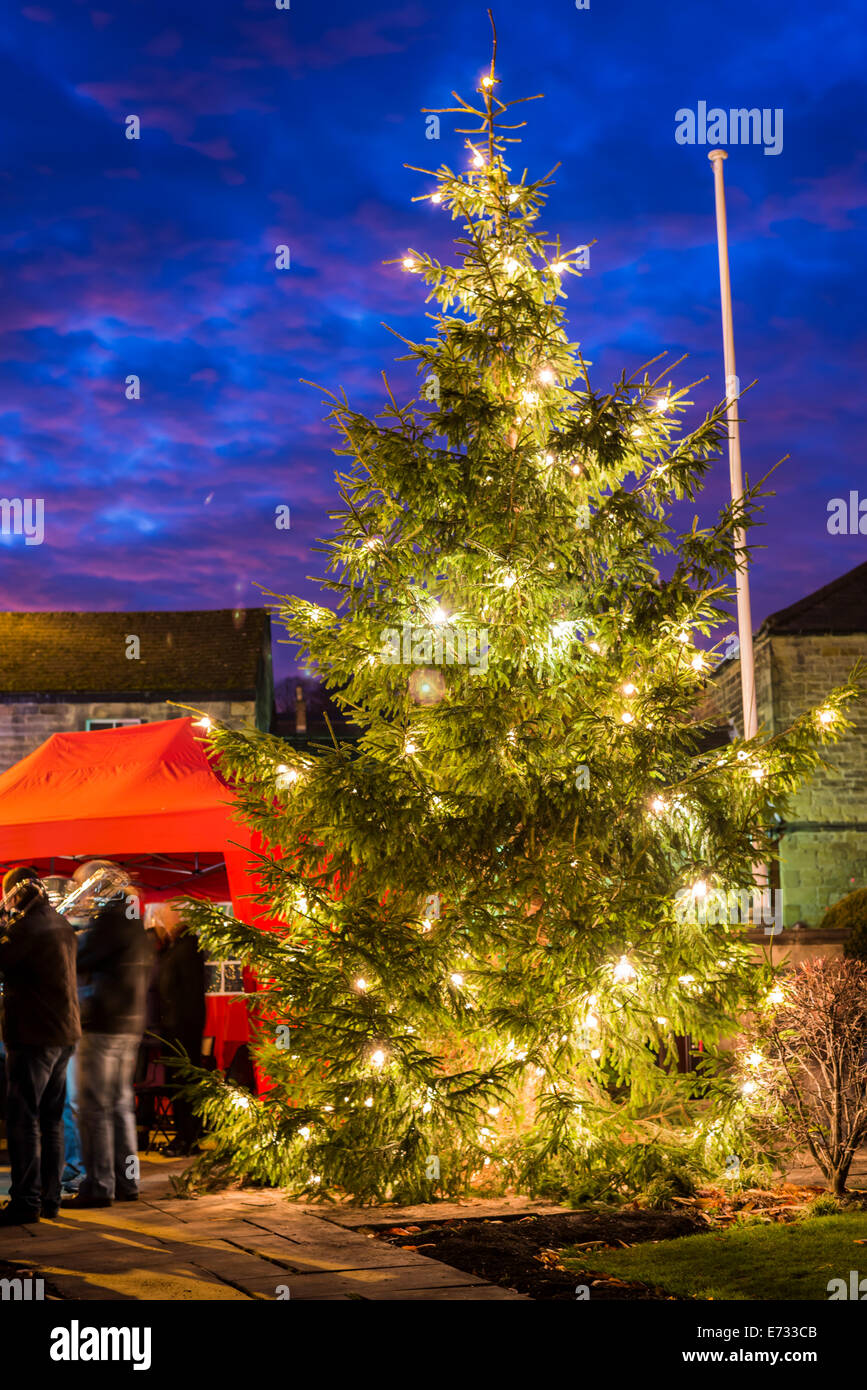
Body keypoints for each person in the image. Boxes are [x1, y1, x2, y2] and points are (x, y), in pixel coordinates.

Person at [69, 860, 153, 1209]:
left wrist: (73, 929)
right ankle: (127, 1182)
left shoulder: (110, 920)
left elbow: (77, 958)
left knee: (92, 1108)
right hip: (128, 1024)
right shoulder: (134, 919)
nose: (80, 894)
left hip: (102, 1024)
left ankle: (99, 1185)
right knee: (119, 1107)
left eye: (82, 886)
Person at [0, 866, 80, 1224]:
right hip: (64, 1032)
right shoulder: (61, 924)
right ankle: (50, 1199)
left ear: (17, 893)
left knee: (22, 1118)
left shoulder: (24, 929)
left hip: (32, 1034)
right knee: (51, 1119)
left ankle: (25, 1201)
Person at [151, 902, 206, 1155]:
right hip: (174, 1027)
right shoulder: (174, 946)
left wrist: (183, 1026)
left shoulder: (188, 946)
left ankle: (188, 1138)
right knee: (177, 1084)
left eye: (163, 919)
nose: (160, 924)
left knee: (184, 1084)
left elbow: (191, 993)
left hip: (182, 1029)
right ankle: (184, 1136)